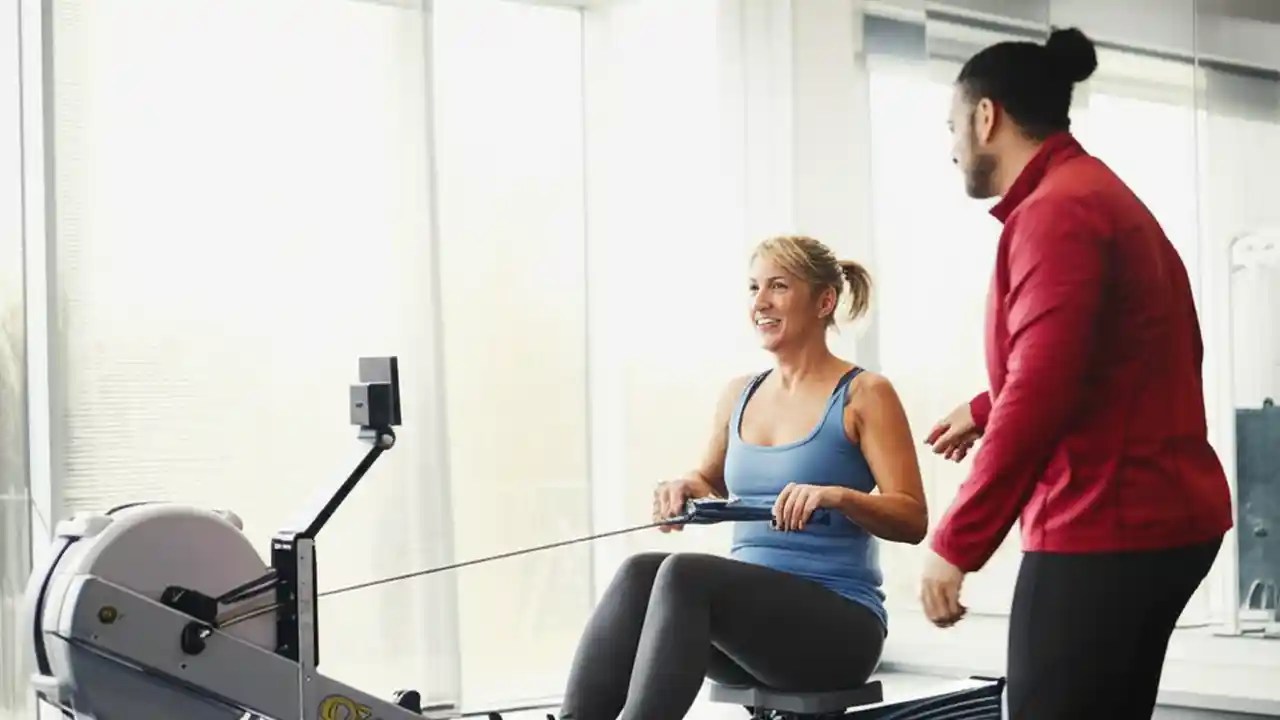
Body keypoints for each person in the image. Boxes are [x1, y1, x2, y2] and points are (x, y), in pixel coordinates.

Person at [919, 26, 1235, 719]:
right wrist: (984, 404)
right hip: (1161, 517)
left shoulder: (1055, 213)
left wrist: (956, 541)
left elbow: (1041, 390)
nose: (951, 149)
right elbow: (1104, 353)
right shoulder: (1092, 194)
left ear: (985, 116)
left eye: (951, 127)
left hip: (1107, 521)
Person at [558, 235, 929, 720]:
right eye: (754, 287)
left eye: (778, 286)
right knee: (639, 572)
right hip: (749, 637)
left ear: (824, 301)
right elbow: (707, 478)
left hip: (839, 631)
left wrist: (839, 497)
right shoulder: (741, 394)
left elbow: (912, 516)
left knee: (686, 574)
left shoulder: (864, 394)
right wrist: (683, 488)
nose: (760, 302)